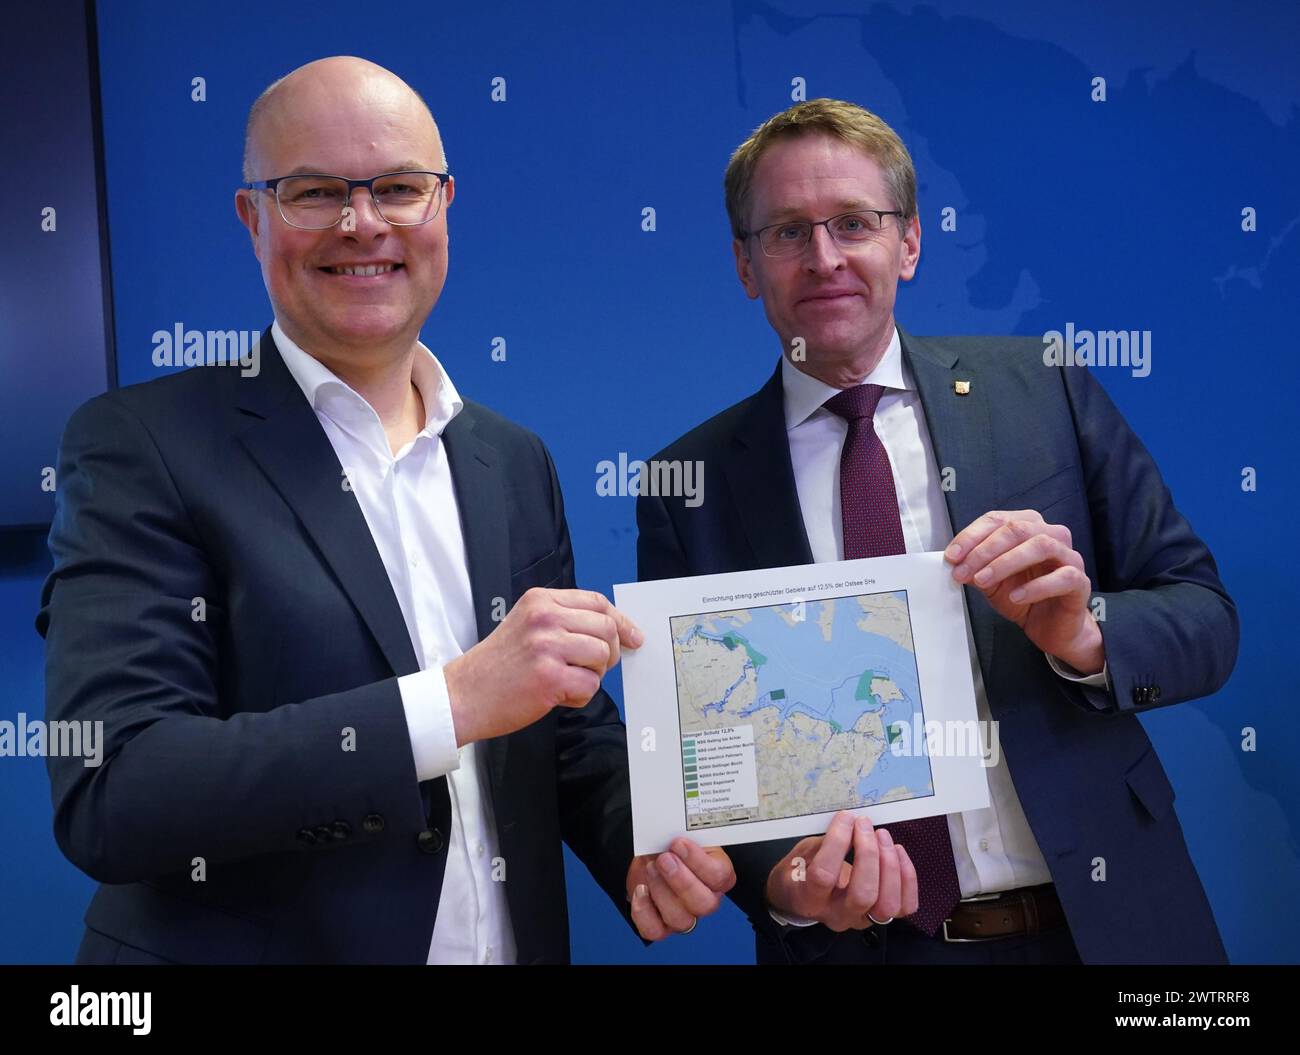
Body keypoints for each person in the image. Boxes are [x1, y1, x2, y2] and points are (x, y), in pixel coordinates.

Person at [36, 56, 732, 965]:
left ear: (443, 205)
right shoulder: (141, 445)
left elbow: (554, 730)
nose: (363, 224)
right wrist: (449, 699)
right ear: (253, 217)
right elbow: (115, 792)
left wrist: (634, 841)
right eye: (315, 192)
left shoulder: (512, 461)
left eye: (399, 188)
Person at [636, 98, 1237, 965]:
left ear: (909, 242)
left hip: (1114, 925)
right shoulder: (684, 485)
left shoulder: (1045, 389)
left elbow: (1208, 620)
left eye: (854, 222)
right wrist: (784, 878)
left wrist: (1084, 634)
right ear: (744, 265)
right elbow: (706, 762)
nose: (826, 257)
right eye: (788, 232)